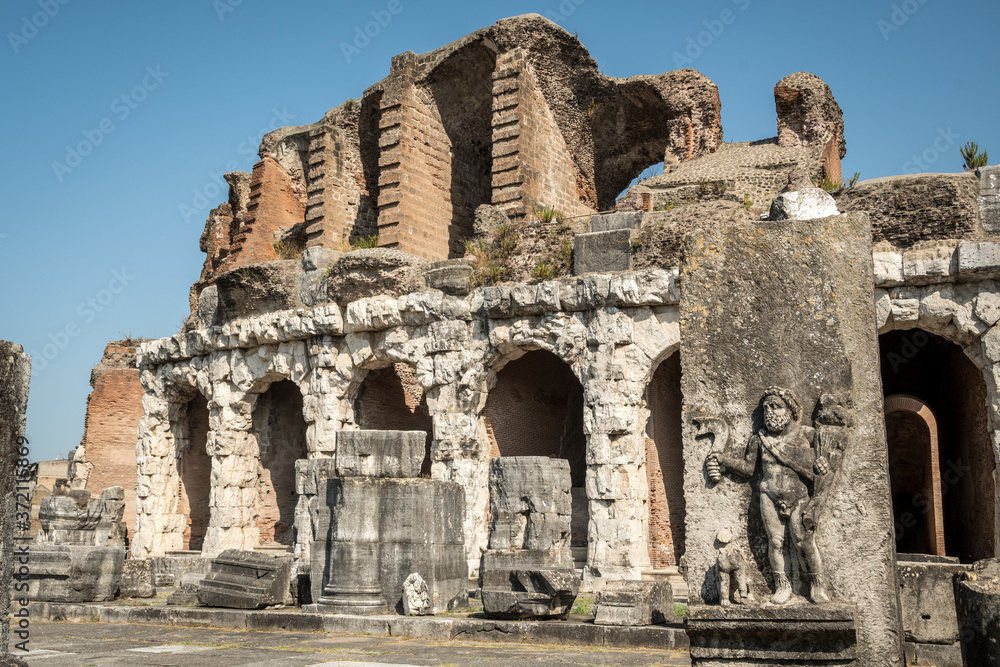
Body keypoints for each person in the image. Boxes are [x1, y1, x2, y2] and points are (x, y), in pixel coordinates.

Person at [706, 386, 830, 604]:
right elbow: (748, 469)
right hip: (769, 495)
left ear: (790, 410)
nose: (770, 411)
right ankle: (783, 586)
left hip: (799, 497)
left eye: (776, 406)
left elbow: (820, 469)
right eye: (765, 408)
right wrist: (724, 461)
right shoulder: (759, 439)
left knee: (803, 542)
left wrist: (822, 464)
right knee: (776, 542)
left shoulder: (807, 435)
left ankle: (816, 585)